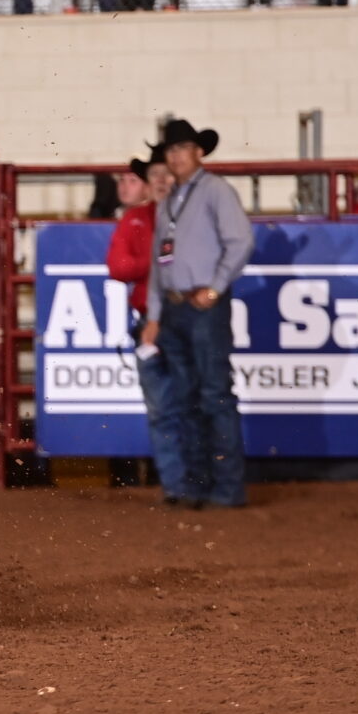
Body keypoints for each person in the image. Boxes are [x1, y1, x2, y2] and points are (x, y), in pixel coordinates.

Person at [142, 120, 254, 509]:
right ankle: (200, 485)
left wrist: (216, 286)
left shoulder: (215, 191)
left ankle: (225, 488)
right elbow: (160, 262)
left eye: (182, 148)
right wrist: (155, 315)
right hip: (175, 307)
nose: (175, 156)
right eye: (171, 150)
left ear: (198, 152)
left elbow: (240, 241)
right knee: (189, 398)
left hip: (202, 306)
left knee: (212, 396)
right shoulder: (170, 202)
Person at [106, 146, 180, 491]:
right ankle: (179, 485)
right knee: (167, 407)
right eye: (155, 176)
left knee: (178, 405)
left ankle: (184, 483)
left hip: (175, 317)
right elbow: (118, 267)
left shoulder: (149, 219)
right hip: (156, 317)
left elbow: (123, 267)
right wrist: (157, 260)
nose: (161, 181)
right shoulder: (137, 219)